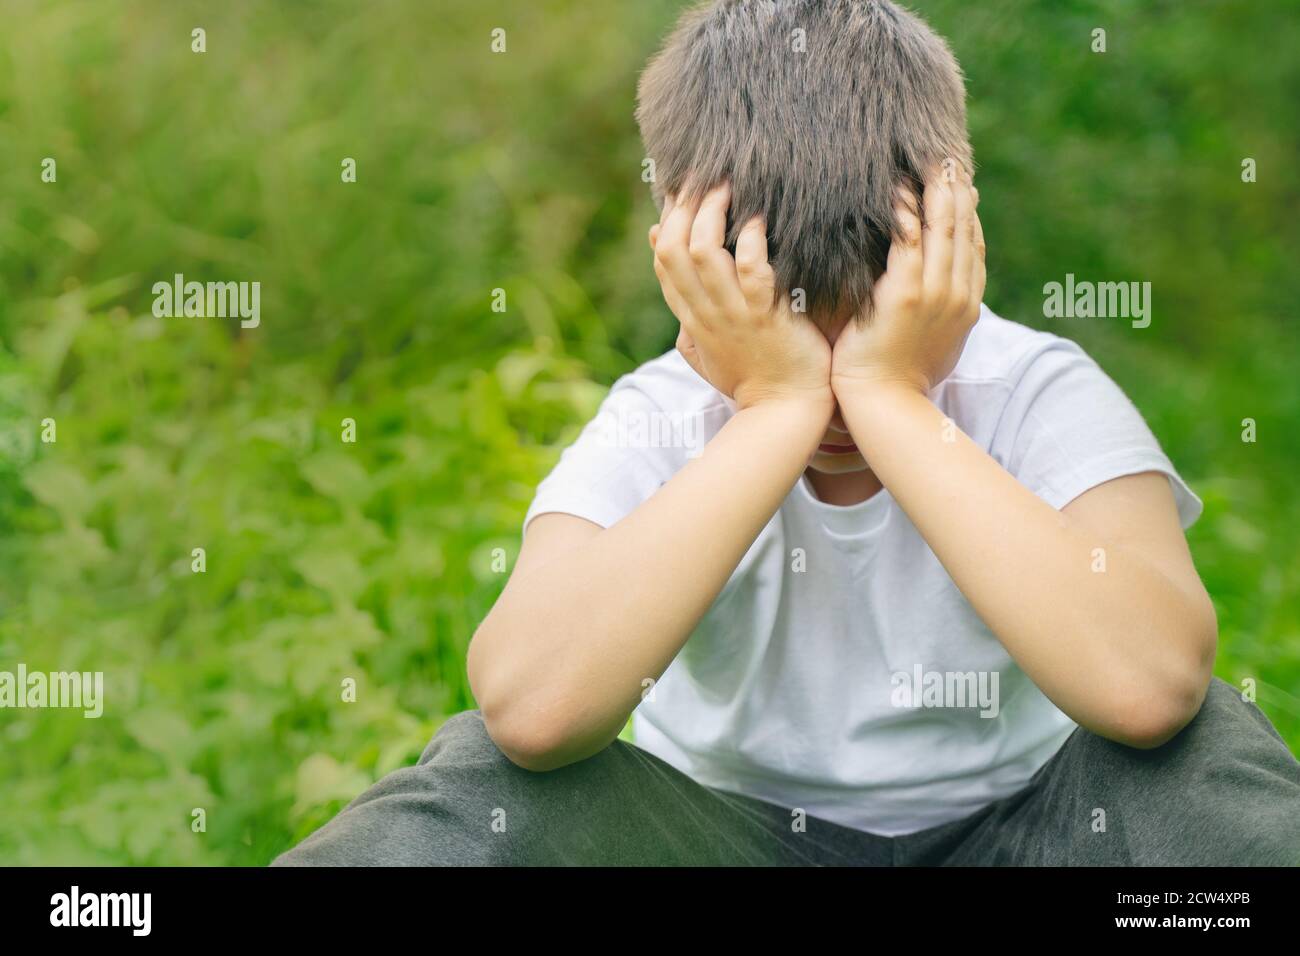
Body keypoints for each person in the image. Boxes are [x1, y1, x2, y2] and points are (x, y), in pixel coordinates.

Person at [275, 0, 1300, 866]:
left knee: (1206, 760)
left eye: (875, 319)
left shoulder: (1029, 388)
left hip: (1023, 835)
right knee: (477, 792)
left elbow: (1152, 682)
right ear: (687, 265)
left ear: (952, 245)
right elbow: (532, 710)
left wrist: (897, 399)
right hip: (726, 842)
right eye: (782, 329)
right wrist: (771, 412)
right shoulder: (663, 415)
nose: (836, 388)